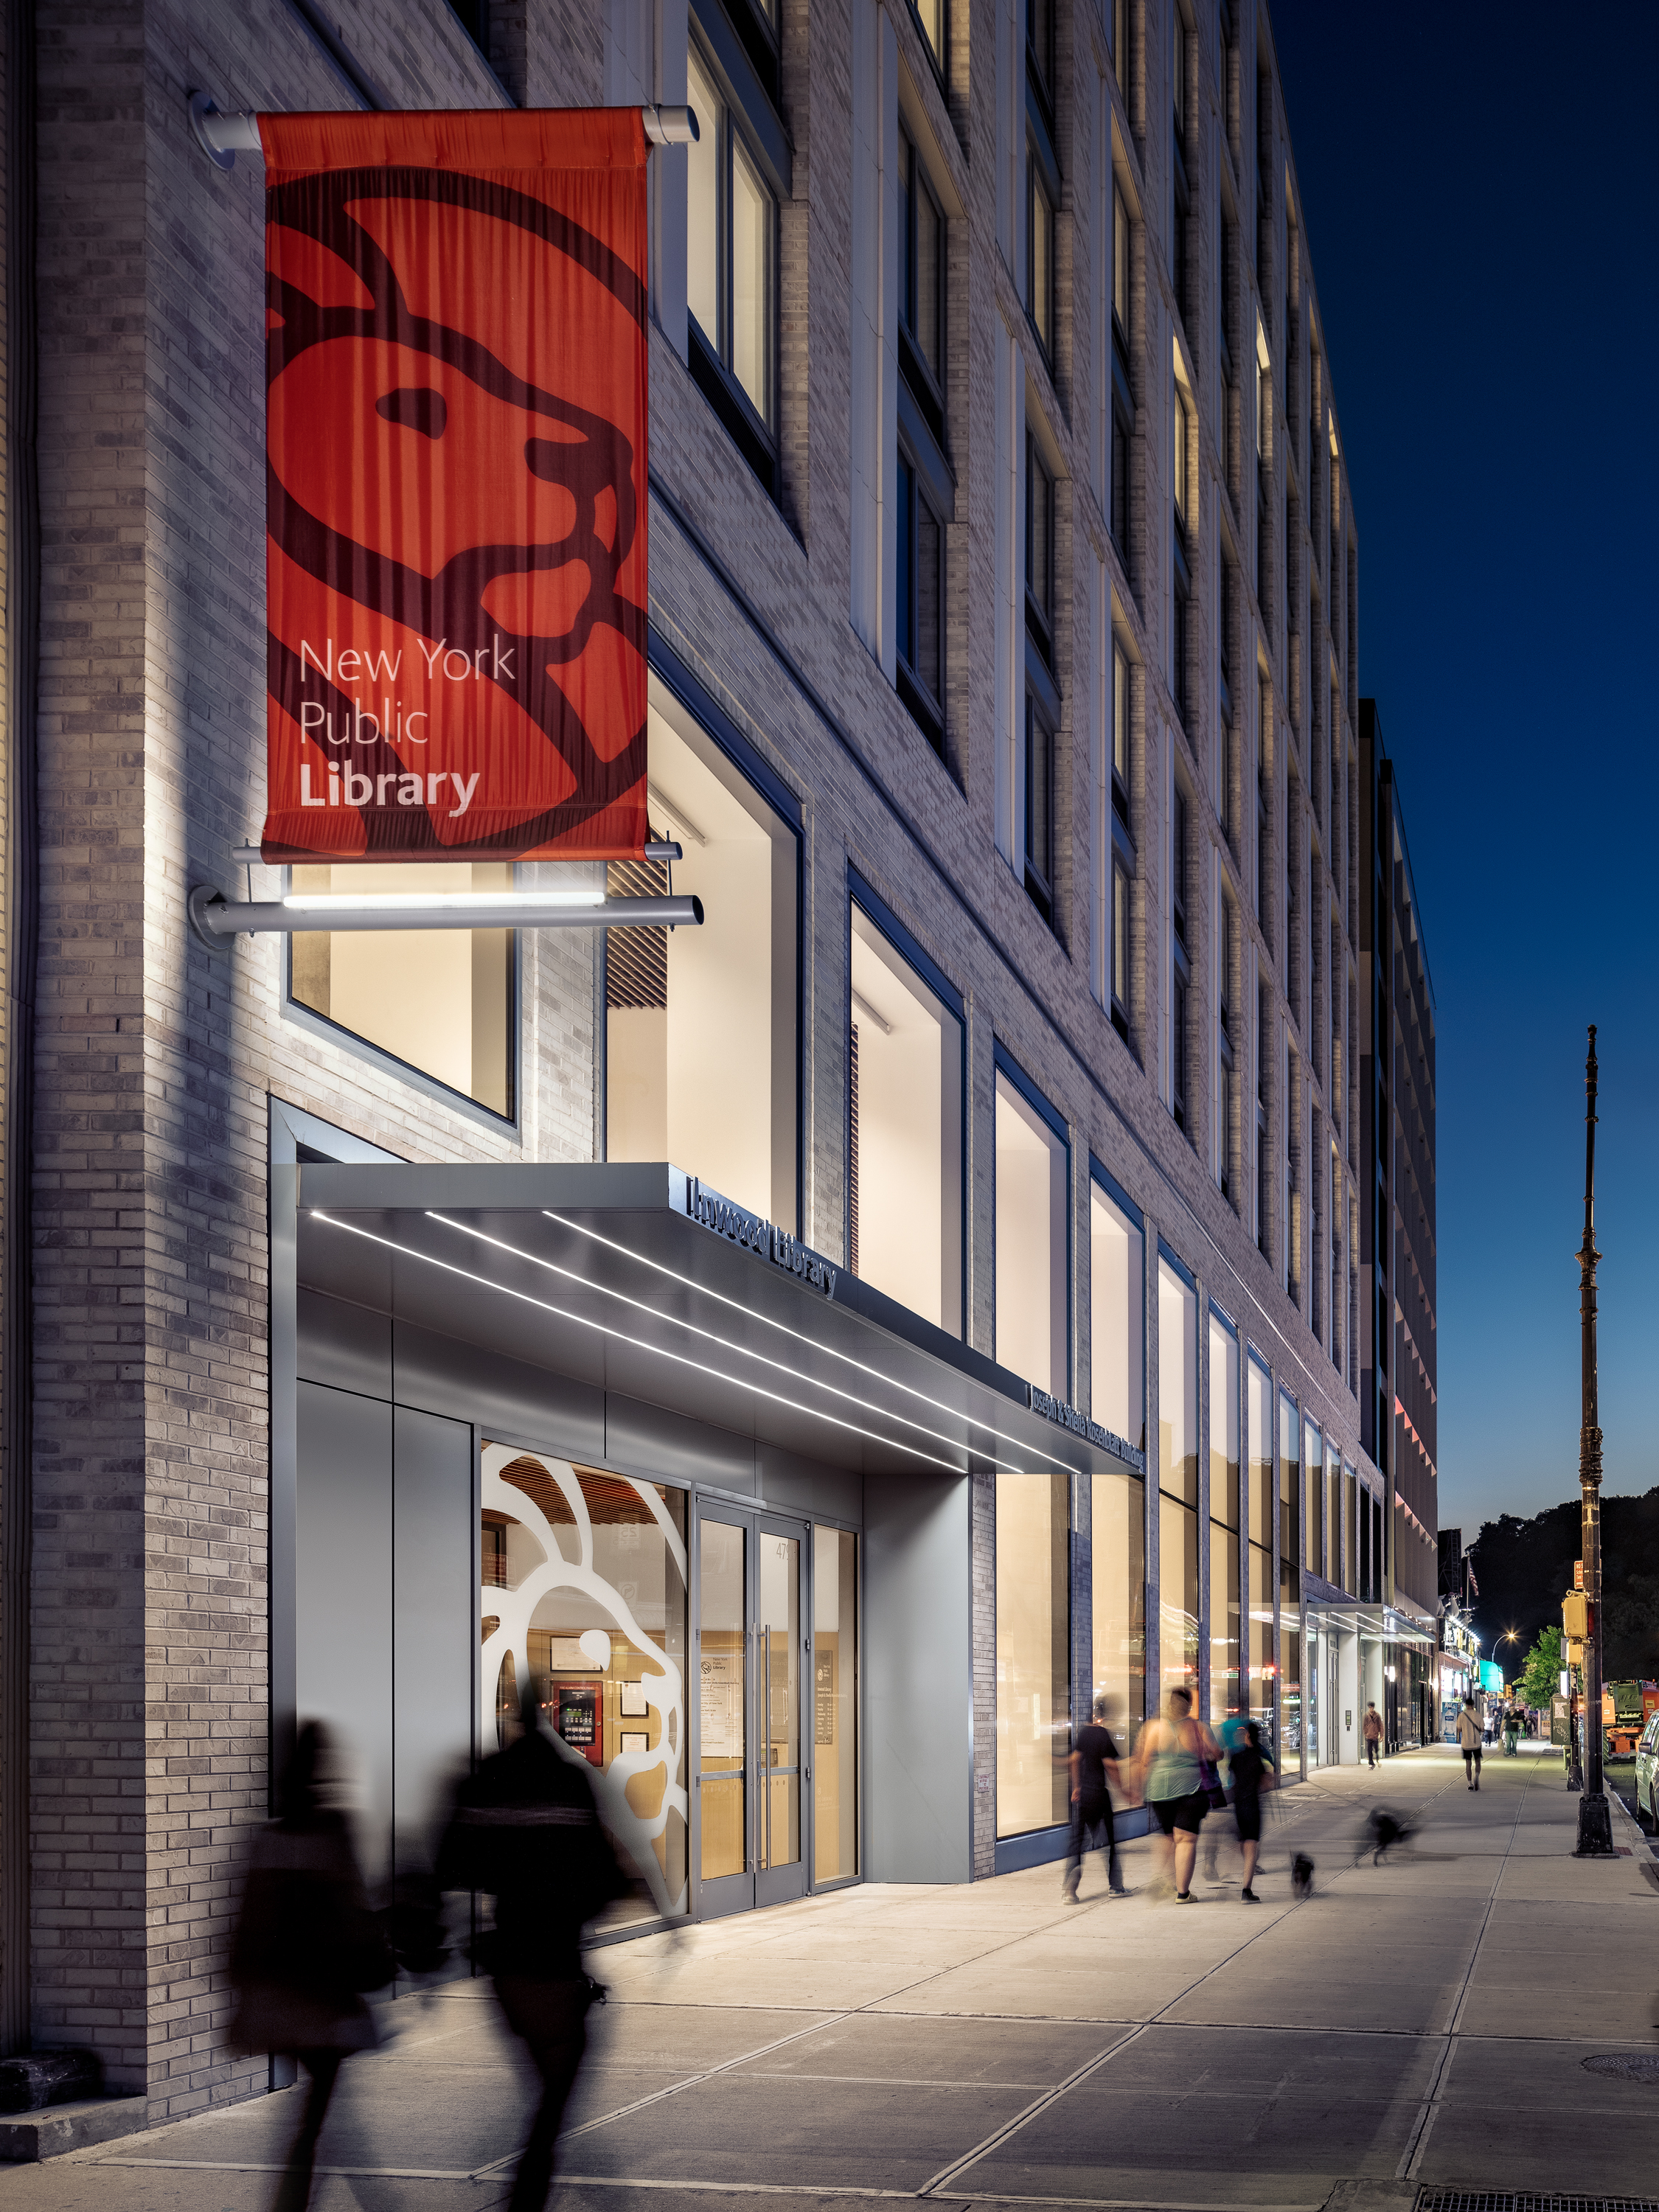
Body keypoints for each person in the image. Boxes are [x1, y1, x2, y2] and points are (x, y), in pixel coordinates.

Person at [439, 1679, 632, 2212]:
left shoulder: (487, 1780)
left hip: (507, 1968)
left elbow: (452, 1863)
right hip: (557, 1963)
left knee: (547, 2092)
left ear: (511, 1718)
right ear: (546, 1715)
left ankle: (529, 2192)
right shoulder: (570, 1782)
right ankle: (526, 2197)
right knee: (554, 2098)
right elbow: (605, 1883)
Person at [229, 1722, 392, 2212]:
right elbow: (354, 1907)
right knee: (318, 2110)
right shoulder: (334, 1829)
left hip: (278, 1994)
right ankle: (295, 2202)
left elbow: (248, 1921)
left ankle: (318, 2197)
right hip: (323, 1994)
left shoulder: (269, 1837)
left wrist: (242, 1989)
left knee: (319, 2109)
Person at [1133, 1687, 1220, 1902]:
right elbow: (1217, 1753)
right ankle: (1183, 1893)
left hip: (1159, 1790)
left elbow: (1143, 1761)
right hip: (1191, 1789)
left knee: (1168, 1836)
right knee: (1186, 1840)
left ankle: (1163, 1878)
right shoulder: (1198, 1728)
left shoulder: (1153, 1728)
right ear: (1189, 1705)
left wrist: (1137, 1791)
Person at [1062, 1694, 1127, 1902]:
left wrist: (1076, 1787)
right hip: (1100, 1794)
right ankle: (1115, 1886)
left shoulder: (1084, 1733)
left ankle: (1070, 1891)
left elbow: (1074, 1761)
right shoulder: (1103, 1735)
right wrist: (1122, 1789)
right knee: (1110, 1842)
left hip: (1084, 1796)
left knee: (1077, 1842)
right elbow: (1110, 1765)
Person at [1227, 1720, 1273, 1900]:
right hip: (1253, 1807)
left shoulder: (1236, 1757)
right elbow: (1266, 1784)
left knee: (1244, 1842)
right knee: (1251, 1847)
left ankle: (1240, 1874)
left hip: (1239, 1807)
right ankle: (1246, 1890)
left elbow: (1233, 1781)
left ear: (1247, 1735)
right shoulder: (1258, 1759)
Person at [1457, 1693, 1484, 1790]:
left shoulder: (1462, 1716)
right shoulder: (1478, 1715)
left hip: (1466, 1743)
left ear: (1466, 1705)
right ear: (1473, 1705)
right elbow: (1482, 1729)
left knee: (1468, 1763)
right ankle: (1476, 1776)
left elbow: (1459, 1729)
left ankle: (1470, 1784)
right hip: (1476, 1743)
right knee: (1478, 1762)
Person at [1362, 1702, 1382, 1769]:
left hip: (1375, 1736)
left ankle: (1377, 1759)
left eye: (1371, 1707)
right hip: (1368, 1736)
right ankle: (1371, 1763)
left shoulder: (1377, 1716)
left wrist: (1381, 1735)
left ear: (1373, 1707)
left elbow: (1381, 1726)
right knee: (1369, 1750)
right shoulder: (1366, 1716)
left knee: (1376, 1749)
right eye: (1369, 1707)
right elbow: (1364, 1725)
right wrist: (1365, 1733)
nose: (1370, 1709)